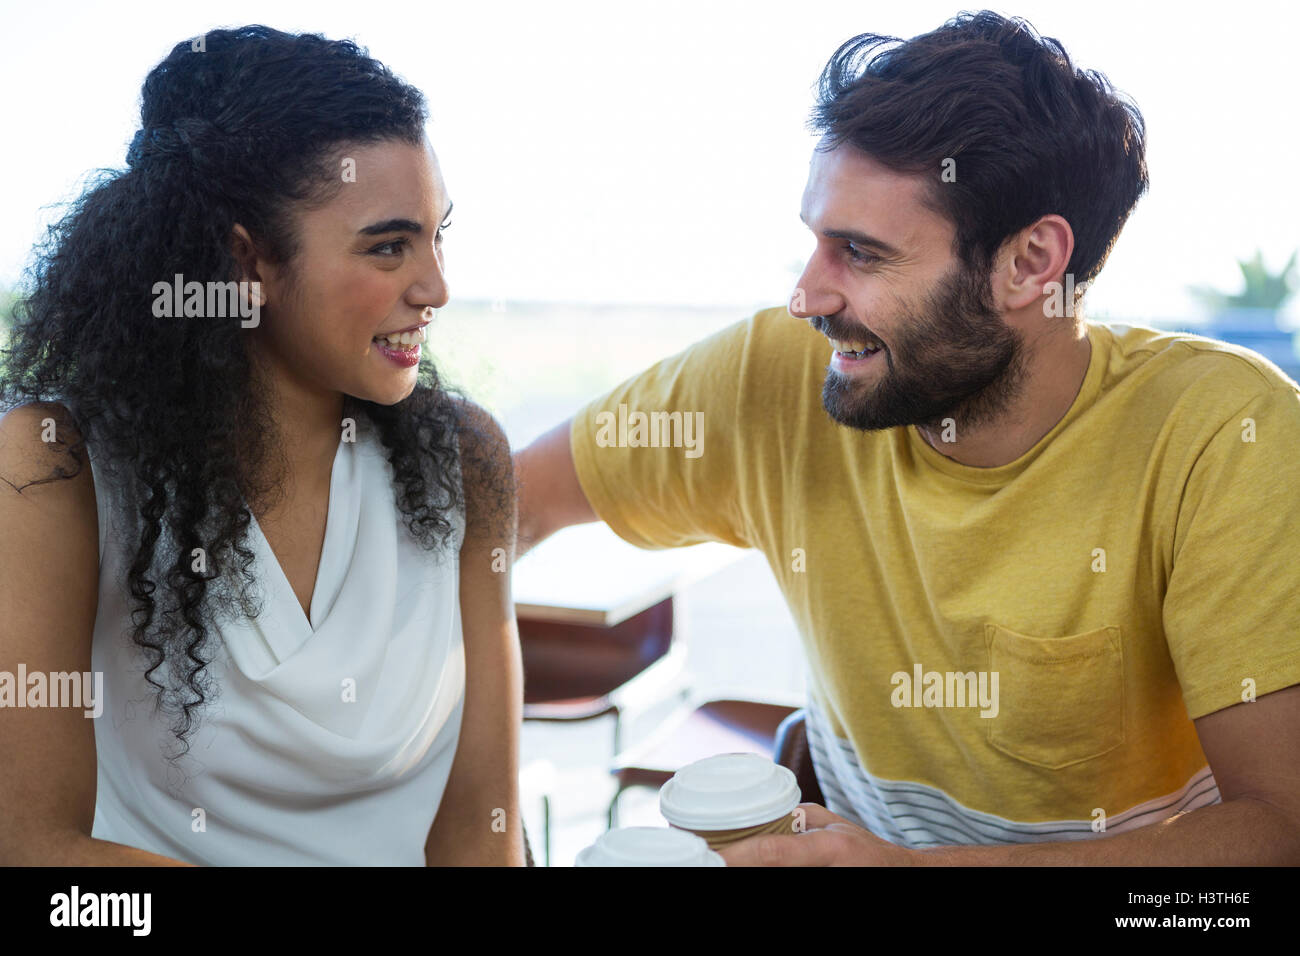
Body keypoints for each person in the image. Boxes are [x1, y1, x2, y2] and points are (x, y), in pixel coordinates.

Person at [515, 11, 1300, 865]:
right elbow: (505, 499)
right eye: (815, 241)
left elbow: (1278, 830)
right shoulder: (773, 375)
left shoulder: (1227, 436)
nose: (806, 296)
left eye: (860, 252)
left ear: (1031, 264)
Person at [0, 25, 524, 865]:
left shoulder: (465, 462)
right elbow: (31, 849)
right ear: (247, 263)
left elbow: (480, 835)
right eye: (389, 246)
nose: (436, 287)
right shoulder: (55, 469)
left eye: (438, 236)